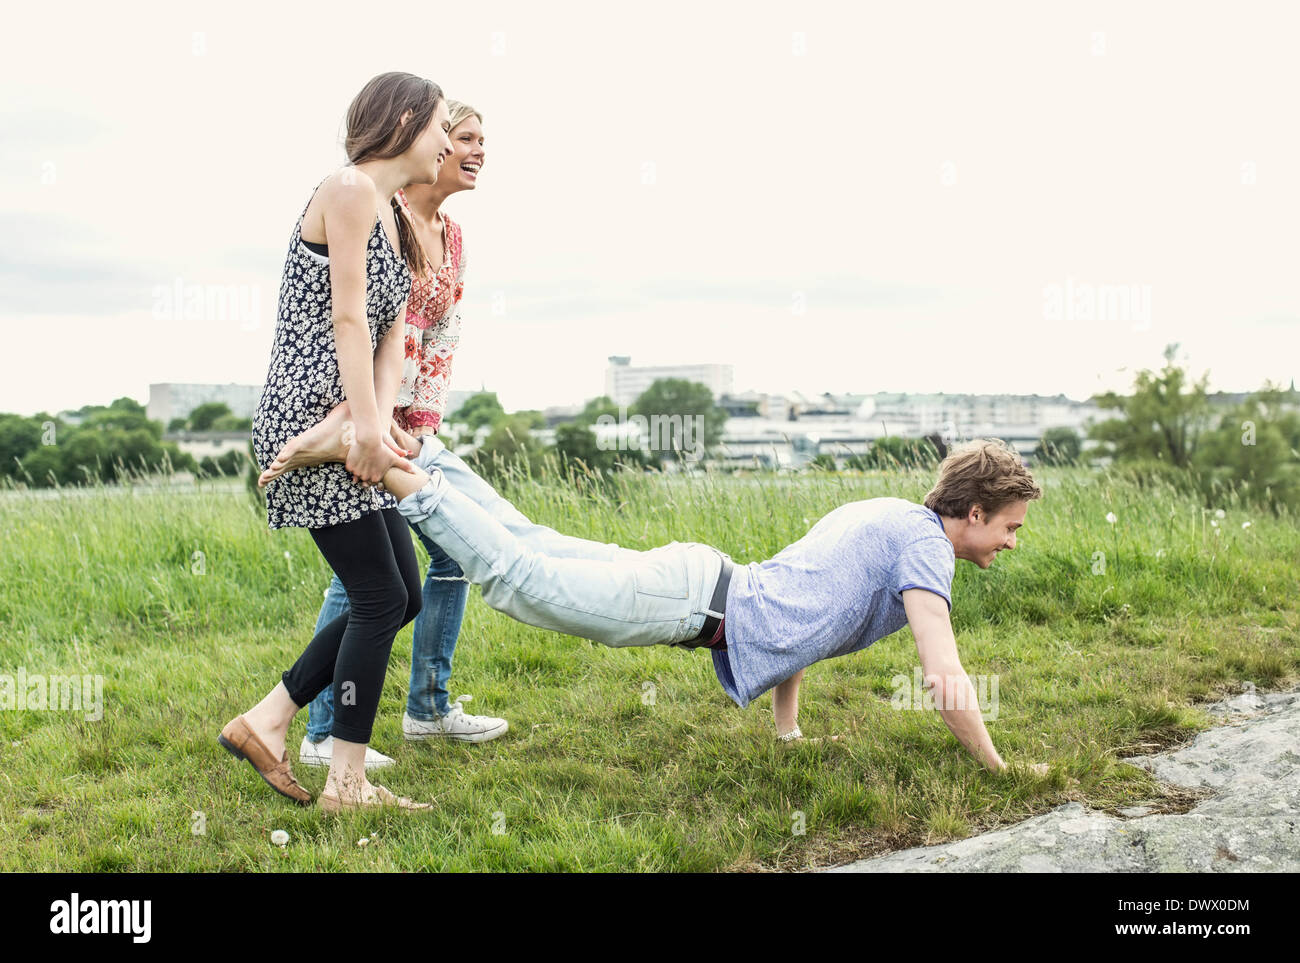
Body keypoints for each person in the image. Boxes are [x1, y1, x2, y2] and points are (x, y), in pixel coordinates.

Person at [260, 408, 1048, 773]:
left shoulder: (887, 514)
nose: (1010, 543)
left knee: (530, 544)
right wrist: (998, 765)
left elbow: (807, 618)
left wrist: (789, 731)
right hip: (692, 602)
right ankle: (389, 463)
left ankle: (421, 447)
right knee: (520, 577)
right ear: (972, 512)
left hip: (703, 579)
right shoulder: (925, 553)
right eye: (1009, 527)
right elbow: (942, 677)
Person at [221, 72, 454, 813]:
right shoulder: (349, 189)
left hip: (350, 418)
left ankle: (267, 719)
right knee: (380, 595)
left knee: (403, 591)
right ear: (406, 120)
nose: (448, 142)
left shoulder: (390, 215)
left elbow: (390, 343)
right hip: (306, 414)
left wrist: (378, 428)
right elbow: (347, 319)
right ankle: (345, 782)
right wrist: (359, 426)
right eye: (443, 126)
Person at [297, 99, 508, 775]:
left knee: (449, 555)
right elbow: (368, 322)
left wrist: (421, 425)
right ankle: (323, 729)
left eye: (483, 139)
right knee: (369, 579)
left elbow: (442, 337)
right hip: (363, 420)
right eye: (465, 135)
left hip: (414, 427)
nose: (478, 149)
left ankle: (428, 709)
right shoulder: (381, 216)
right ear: (433, 145)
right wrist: (376, 421)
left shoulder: (455, 236)